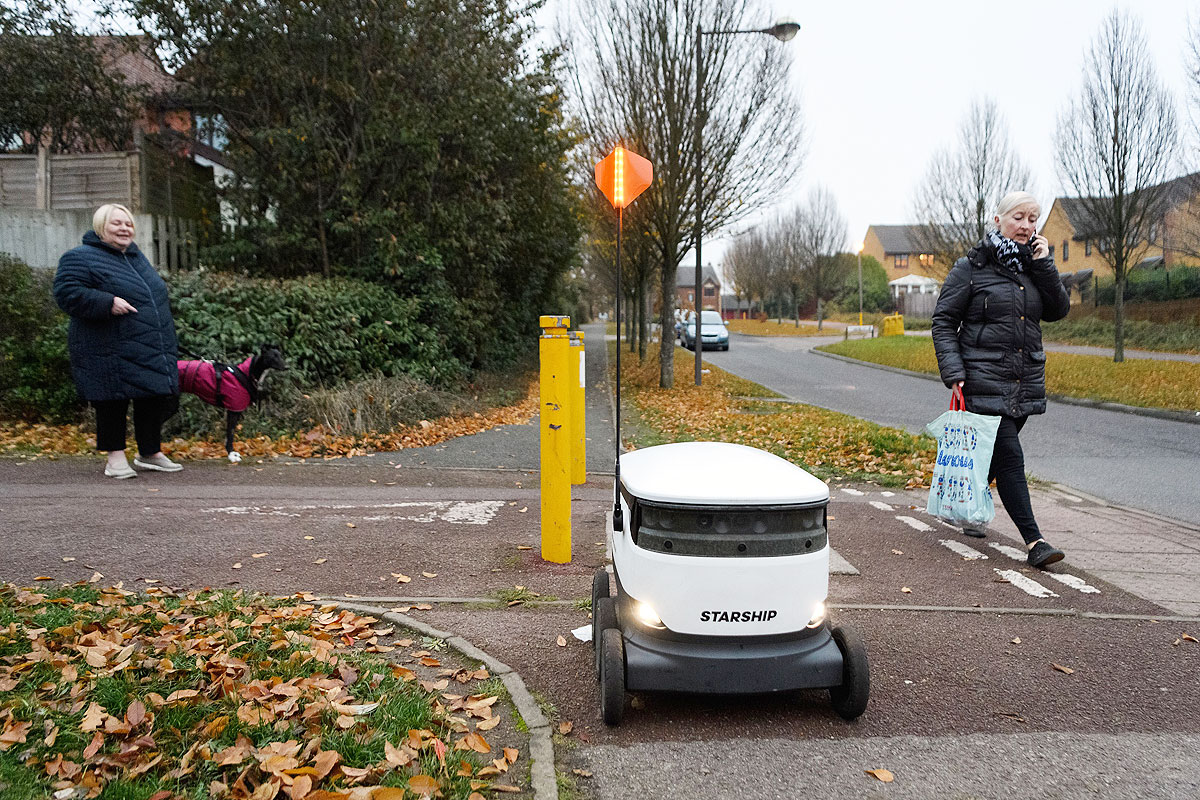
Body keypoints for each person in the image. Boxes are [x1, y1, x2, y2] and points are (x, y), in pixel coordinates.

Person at [931, 191, 1071, 568]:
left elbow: (1058, 310)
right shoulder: (971, 267)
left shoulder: (1033, 266)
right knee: (1010, 456)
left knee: (990, 455)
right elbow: (943, 321)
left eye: (1032, 219)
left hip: (1023, 378)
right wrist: (954, 372)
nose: (1026, 226)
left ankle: (972, 508)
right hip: (981, 377)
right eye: (1018, 217)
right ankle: (1035, 541)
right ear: (998, 220)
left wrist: (1044, 263)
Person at [53, 204, 182, 479]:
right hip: (107, 346)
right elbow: (66, 293)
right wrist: (106, 302)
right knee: (112, 400)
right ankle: (115, 458)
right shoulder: (80, 257)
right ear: (101, 227)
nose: (124, 228)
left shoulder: (136, 258)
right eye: (116, 223)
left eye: (128, 224)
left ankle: (149, 453)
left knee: (153, 396)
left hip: (148, 344)